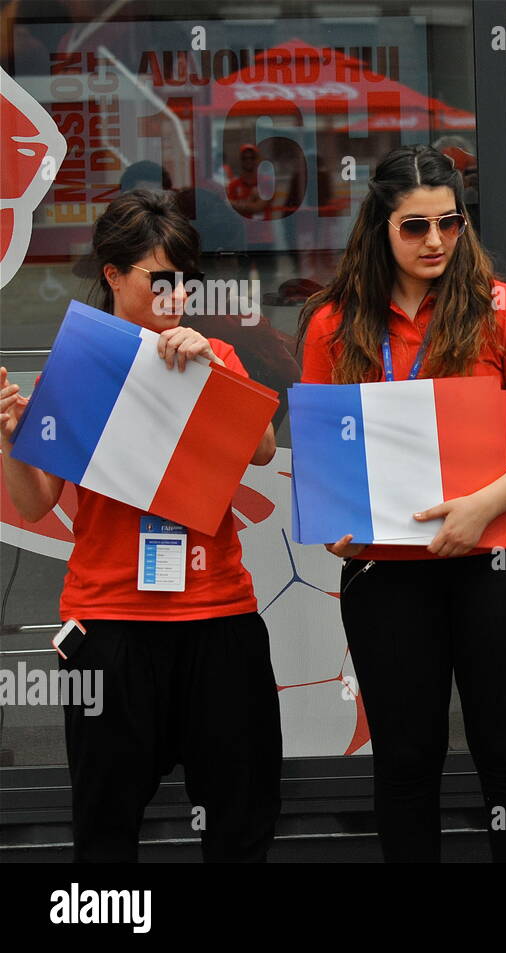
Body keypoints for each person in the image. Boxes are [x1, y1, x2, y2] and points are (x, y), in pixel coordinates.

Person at [297, 145, 506, 863]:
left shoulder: (501, 308)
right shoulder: (334, 323)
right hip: (388, 567)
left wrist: (482, 506)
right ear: (378, 230)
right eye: (414, 227)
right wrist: (335, 527)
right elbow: (326, 459)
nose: (435, 242)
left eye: (450, 225)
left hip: (504, 556)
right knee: (405, 758)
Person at [0, 189, 281, 862]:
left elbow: (264, 448)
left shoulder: (213, 354)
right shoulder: (81, 366)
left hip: (217, 616)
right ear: (114, 275)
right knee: (105, 827)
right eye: (161, 279)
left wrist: (212, 369)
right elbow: (36, 502)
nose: (177, 295)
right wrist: (11, 434)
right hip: (111, 623)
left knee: (240, 822)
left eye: (186, 280)